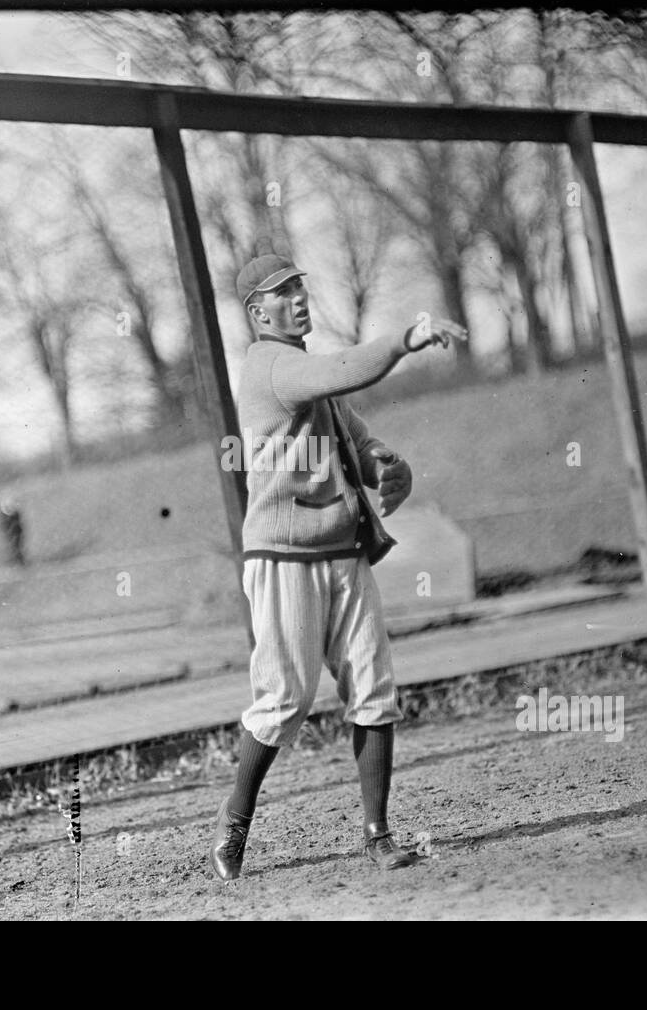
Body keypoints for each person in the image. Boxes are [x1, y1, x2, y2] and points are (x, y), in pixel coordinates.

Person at [210, 253, 466, 880]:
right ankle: (234, 823)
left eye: (300, 286)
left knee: (374, 689)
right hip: (282, 557)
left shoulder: (307, 380)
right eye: (282, 292)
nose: (298, 298)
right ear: (256, 312)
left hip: (343, 553)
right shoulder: (269, 366)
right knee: (285, 700)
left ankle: (378, 834)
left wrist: (384, 461)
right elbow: (345, 370)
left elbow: (354, 433)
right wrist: (405, 339)